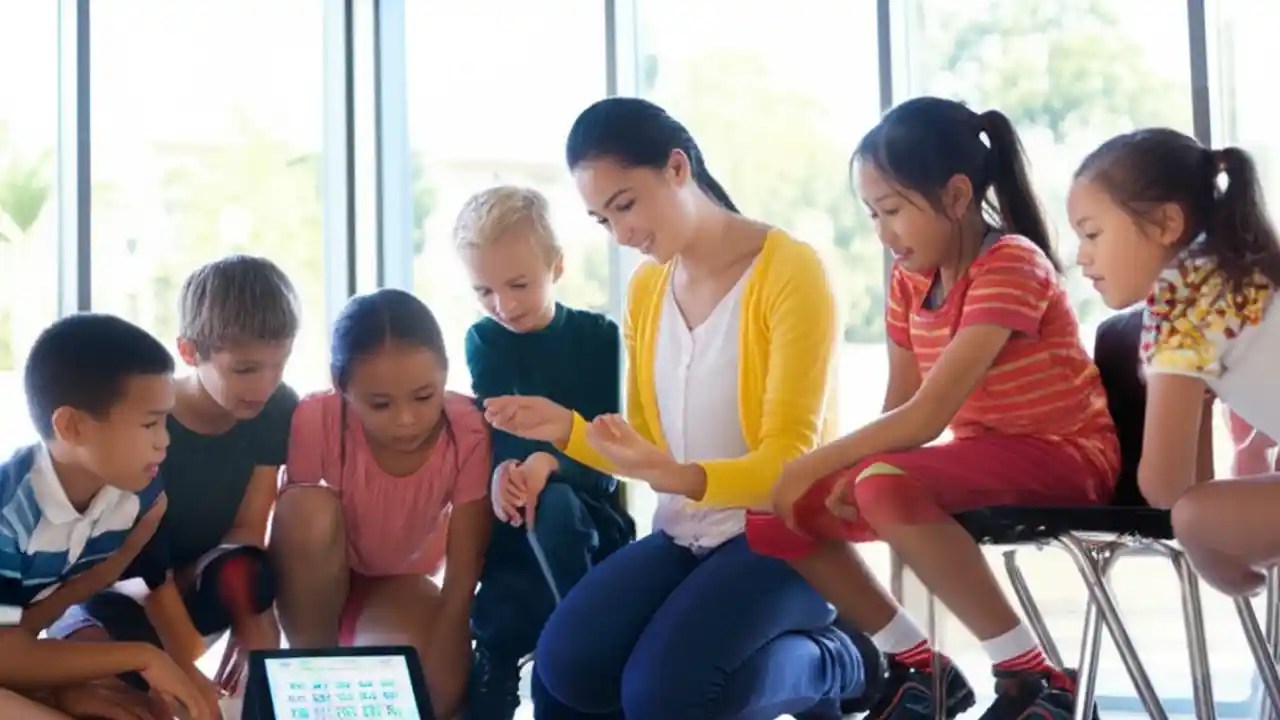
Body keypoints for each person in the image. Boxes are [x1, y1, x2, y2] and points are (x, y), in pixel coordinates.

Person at [483, 96, 878, 720]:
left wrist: (678, 477)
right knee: (563, 674)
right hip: (684, 534)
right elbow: (645, 445)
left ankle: (838, 662)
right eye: (601, 220)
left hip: (781, 537)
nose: (621, 234)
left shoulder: (790, 271)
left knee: (666, 697)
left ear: (676, 169)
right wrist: (566, 430)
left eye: (625, 205)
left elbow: (790, 462)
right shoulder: (646, 290)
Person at [758, 96, 1120, 719]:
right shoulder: (908, 281)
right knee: (777, 516)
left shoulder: (1010, 263)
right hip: (986, 458)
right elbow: (897, 406)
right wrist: (831, 479)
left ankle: (1032, 676)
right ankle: (917, 666)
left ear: (956, 196)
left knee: (873, 483)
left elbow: (925, 417)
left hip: (1067, 458)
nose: (882, 232)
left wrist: (817, 461)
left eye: (893, 210)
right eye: (873, 214)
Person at [52, 255, 299, 697]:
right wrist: (187, 670)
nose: (264, 385)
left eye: (278, 366)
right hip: (124, 582)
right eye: (244, 369)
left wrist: (251, 623)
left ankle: (261, 693)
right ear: (189, 352)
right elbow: (138, 565)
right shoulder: (147, 421)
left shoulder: (275, 407)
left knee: (249, 574)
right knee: (132, 680)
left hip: (199, 580)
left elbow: (248, 530)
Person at [1070, 127, 1280, 597]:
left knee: (1194, 520)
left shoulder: (1183, 298)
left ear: (1167, 224)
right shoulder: (1235, 270)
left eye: (1092, 233)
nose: (1081, 258)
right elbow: (1193, 483)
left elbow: (1167, 487)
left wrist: (1218, 564)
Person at [454, 185, 635, 719]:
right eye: (484, 291)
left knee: (553, 505)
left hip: (588, 515)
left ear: (556, 266)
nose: (503, 306)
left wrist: (550, 460)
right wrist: (503, 471)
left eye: (518, 285)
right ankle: (498, 672)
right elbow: (497, 431)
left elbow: (613, 458)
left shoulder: (599, 338)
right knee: (508, 559)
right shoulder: (484, 340)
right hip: (516, 519)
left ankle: (587, 642)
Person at [270, 288, 492, 719]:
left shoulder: (467, 430)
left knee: (422, 693)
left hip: (397, 584)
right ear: (342, 388)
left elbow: (462, 577)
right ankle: (315, 677)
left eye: (424, 396)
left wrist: (448, 685)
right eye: (380, 404)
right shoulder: (317, 418)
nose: (406, 419)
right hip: (317, 588)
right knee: (306, 508)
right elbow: (295, 534)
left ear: (445, 375)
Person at [1, 314, 208, 719]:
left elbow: (28, 628)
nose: (164, 441)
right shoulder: (9, 518)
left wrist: (64, 685)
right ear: (72, 426)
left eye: (166, 420)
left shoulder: (141, 499)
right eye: (150, 423)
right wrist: (144, 658)